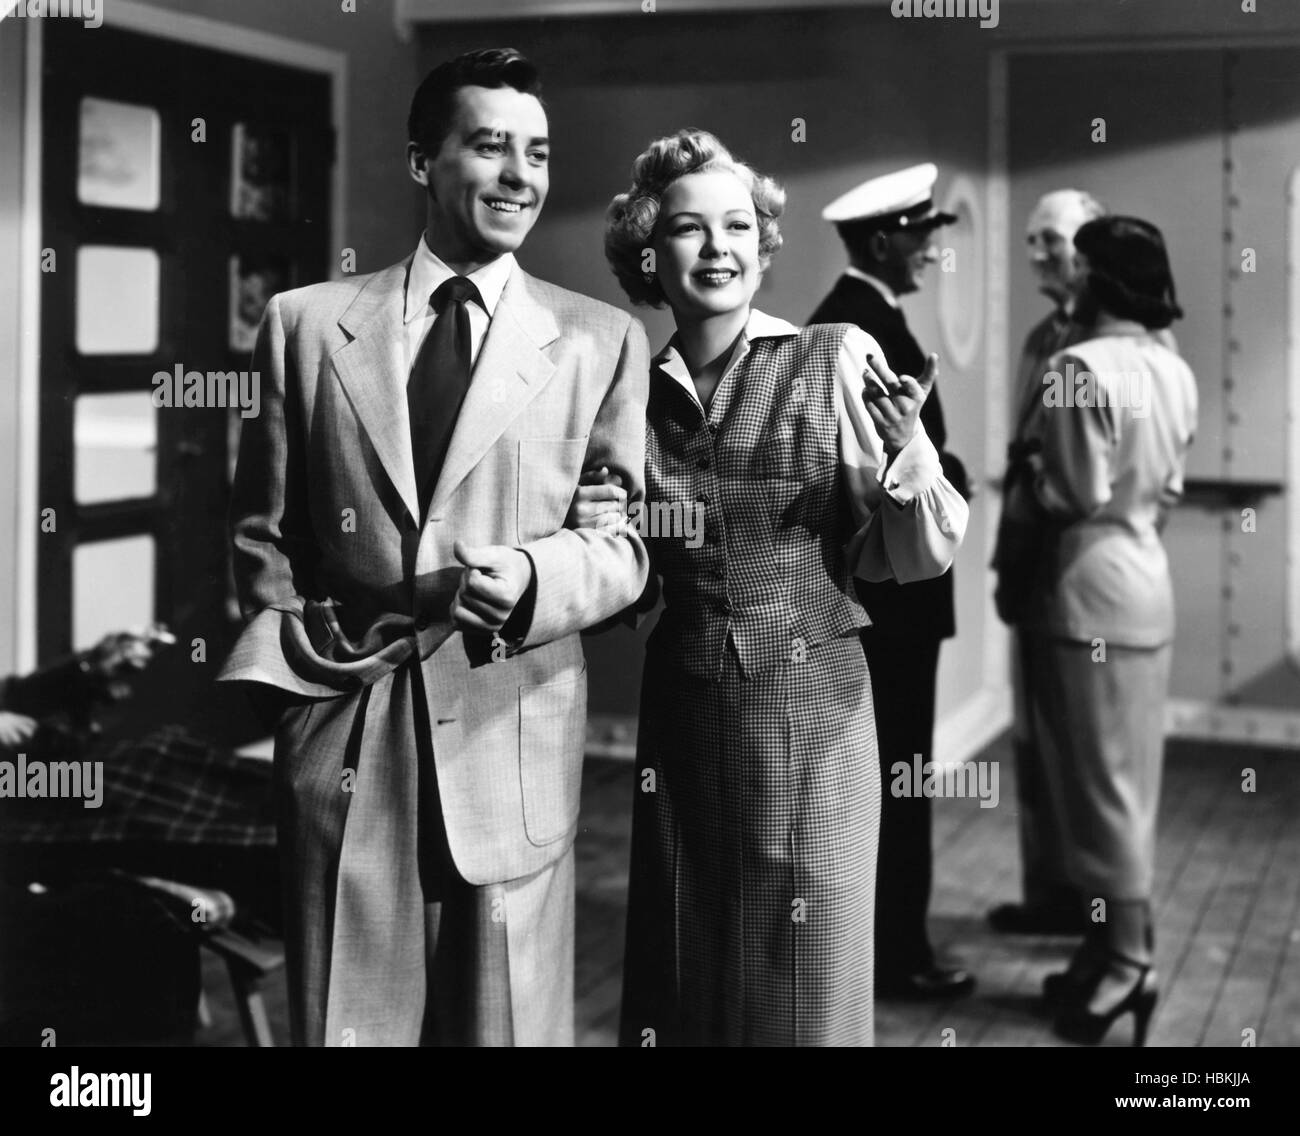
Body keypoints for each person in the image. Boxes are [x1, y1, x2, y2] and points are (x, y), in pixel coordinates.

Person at [218, 48, 651, 1047]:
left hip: (511, 726)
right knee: (350, 1026)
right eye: (490, 146)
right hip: (346, 734)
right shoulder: (306, 325)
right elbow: (260, 533)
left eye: (537, 153)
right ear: (423, 161)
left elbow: (624, 547)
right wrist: (305, 695)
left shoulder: (599, 339)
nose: (520, 176)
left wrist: (537, 576)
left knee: (506, 1028)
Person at [575, 129, 968, 1045]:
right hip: (683, 717)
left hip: (818, 715)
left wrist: (910, 448)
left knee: (805, 982)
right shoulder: (626, 394)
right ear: (648, 252)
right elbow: (629, 587)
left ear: (763, 246)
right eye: (688, 228)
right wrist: (596, 530)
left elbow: (914, 557)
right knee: (689, 973)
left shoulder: (834, 358)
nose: (718, 247)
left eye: (739, 226)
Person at [1027, 216, 1196, 1046]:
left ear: (1101, 279)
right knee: (1122, 784)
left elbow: (1073, 494)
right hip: (1145, 585)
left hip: (1087, 592)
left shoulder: (1078, 366)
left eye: (1081, 264)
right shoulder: (1174, 368)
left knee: (1101, 794)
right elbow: (1165, 494)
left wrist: (1028, 473)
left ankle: (1130, 962)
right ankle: (1104, 947)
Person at [808, 164, 974, 1000]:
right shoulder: (857, 333)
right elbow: (877, 479)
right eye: (921, 236)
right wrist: (952, 476)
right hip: (890, 604)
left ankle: (886, 944)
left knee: (893, 777)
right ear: (882, 242)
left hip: (894, 600)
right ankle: (896, 951)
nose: (932, 250)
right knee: (895, 780)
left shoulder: (862, 319)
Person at [988, 188, 1106, 937]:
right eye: (1031, 240)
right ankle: (1051, 894)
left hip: (1079, 570)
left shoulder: (1106, 341)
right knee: (1036, 742)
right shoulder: (1042, 337)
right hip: (1030, 560)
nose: (1036, 254)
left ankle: (1095, 909)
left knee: (1085, 750)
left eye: (1051, 240)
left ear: (1088, 246)